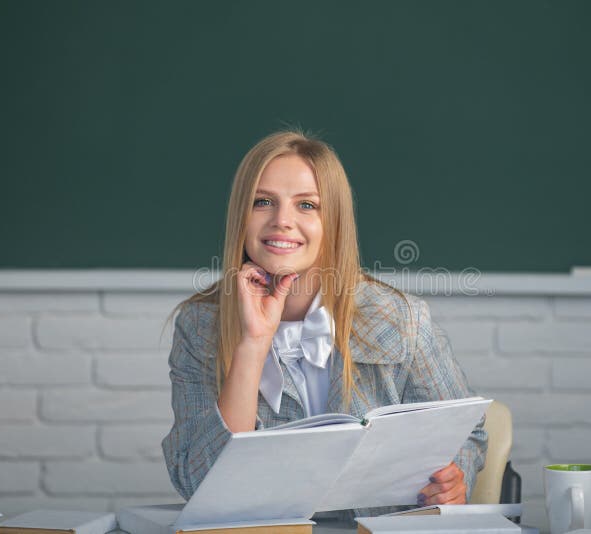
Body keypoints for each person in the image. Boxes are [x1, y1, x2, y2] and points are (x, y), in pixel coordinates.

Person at [161, 130, 487, 520]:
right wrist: (253, 343)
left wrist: (452, 481)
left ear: (333, 221)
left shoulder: (400, 318)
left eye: (307, 205)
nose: (282, 221)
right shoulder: (200, 327)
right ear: (240, 217)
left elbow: (467, 433)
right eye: (262, 202)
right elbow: (200, 483)